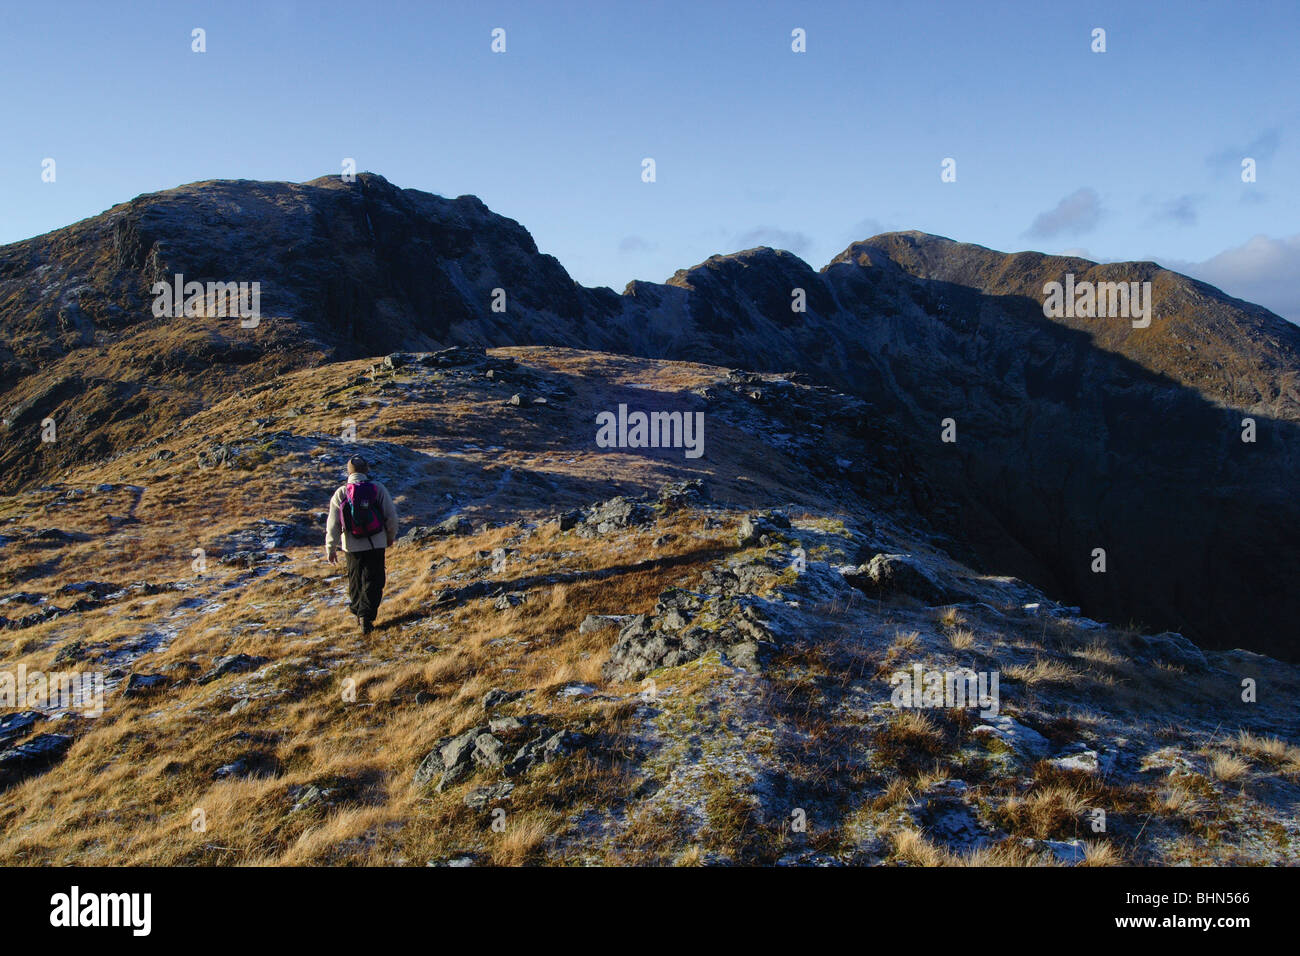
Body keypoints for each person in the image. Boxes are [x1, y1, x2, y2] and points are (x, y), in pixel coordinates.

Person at [325, 457, 399, 634]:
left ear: (349, 471)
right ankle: (367, 616)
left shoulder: (341, 492)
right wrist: (390, 536)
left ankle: (359, 613)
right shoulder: (377, 488)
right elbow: (391, 516)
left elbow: (333, 524)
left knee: (355, 581)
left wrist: (331, 548)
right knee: (374, 579)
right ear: (366, 470)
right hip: (376, 542)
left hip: (351, 546)